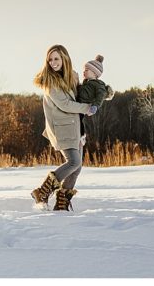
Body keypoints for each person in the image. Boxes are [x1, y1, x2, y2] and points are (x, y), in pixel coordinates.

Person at [30, 45, 95, 211]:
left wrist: (99, 91)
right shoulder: (50, 82)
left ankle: (61, 204)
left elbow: (79, 95)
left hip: (76, 127)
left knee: (77, 167)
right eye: (50, 59)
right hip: (62, 128)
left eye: (56, 59)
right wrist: (88, 108)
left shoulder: (72, 76)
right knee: (73, 161)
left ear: (64, 59)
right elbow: (65, 104)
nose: (53, 62)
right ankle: (42, 191)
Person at [76, 54, 114, 144]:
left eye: (86, 70)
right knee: (77, 118)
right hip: (78, 102)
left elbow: (100, 97)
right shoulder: (86, 82)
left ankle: (82, 135)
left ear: (94, 73)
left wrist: (95, 106)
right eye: (84, 70)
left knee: (79, 119)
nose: (83, 72)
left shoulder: (98, 84)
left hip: (84, 104)